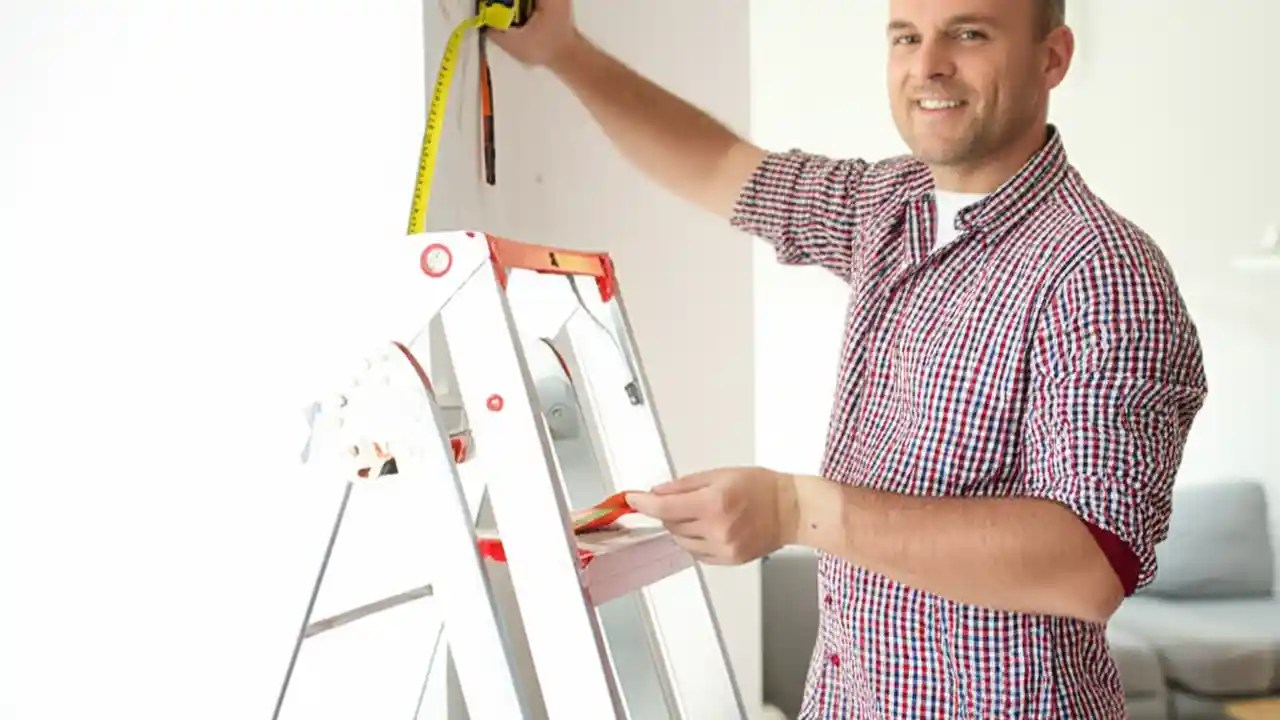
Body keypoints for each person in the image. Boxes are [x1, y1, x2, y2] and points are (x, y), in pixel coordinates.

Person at [494, 0, 1208, 717]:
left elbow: (1088, 564)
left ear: (1052, 57)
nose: (928, 64)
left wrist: (796, 509)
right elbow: (719, 166)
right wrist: (564, 52)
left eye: (968, 33)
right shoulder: (889, 206)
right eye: (906, 37)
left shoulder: (1102, 272)